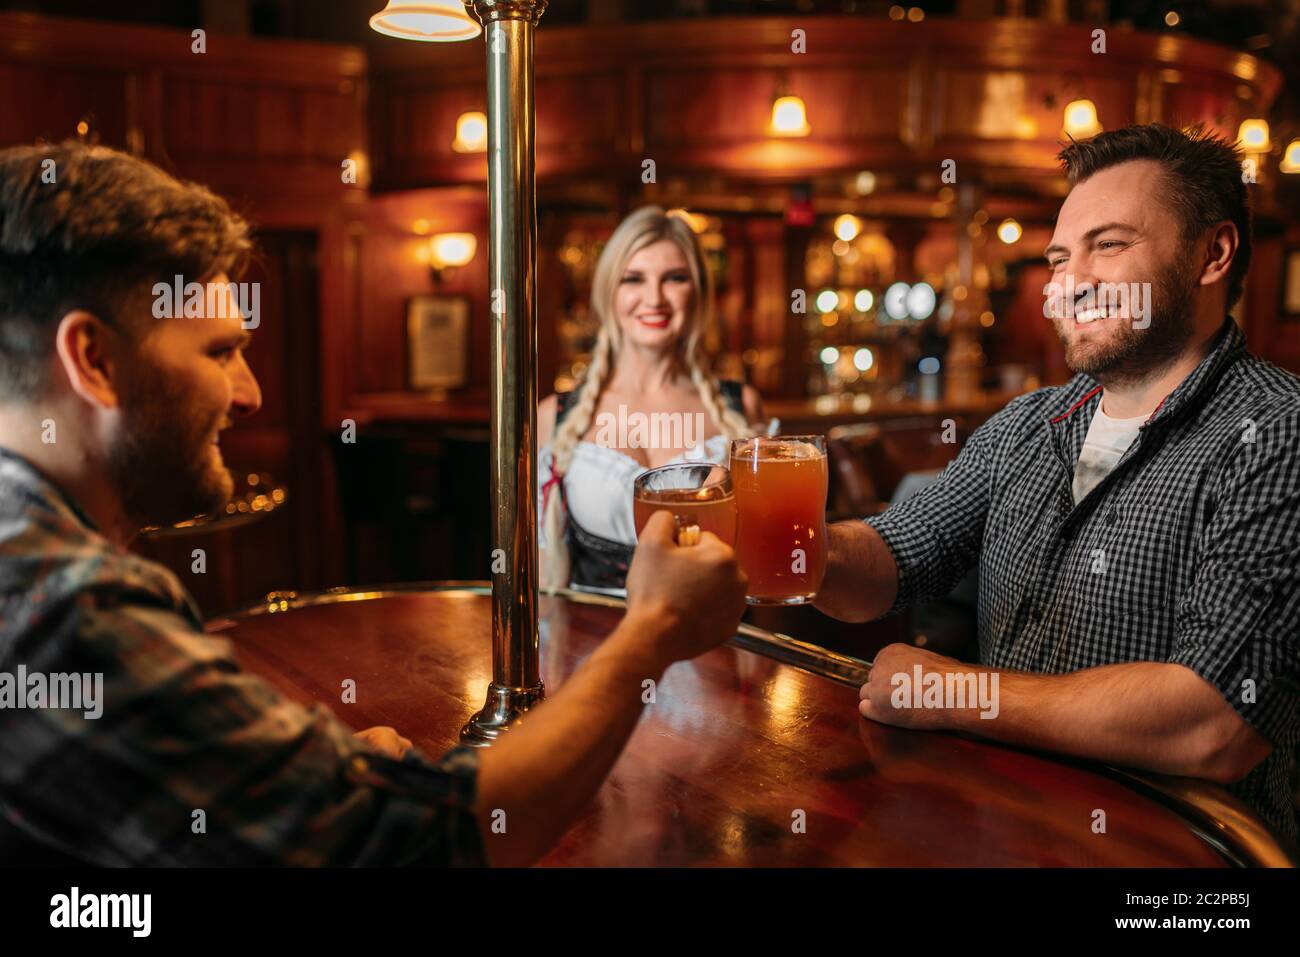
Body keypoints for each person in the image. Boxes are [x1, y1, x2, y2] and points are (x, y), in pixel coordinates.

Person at [0, 141, 748, 866]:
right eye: (221, 351)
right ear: (94, 360)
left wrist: (302, 785)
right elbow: (435, 842)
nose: (252, 393)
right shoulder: (72, 609)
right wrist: (653, 631)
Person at [816, 123, 1300, 842]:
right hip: (1005, 828)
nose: (1072, 282)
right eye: (1059, 258)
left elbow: (1216, 720)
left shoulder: (1276, 431)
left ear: (1213, 253)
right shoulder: (1027, 425)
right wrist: (792, 548)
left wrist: (949, 691)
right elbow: (894, 557)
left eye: (1108, 245)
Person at [537, 205, 773, 593]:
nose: (654, 298)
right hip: (593, 646)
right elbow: (544, 576)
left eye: (674, 278)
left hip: (713, 643)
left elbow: (764, 562)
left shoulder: (741, 406)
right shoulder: (555, 414)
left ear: (697, 292)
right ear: (608, 292)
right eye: (633, 279)